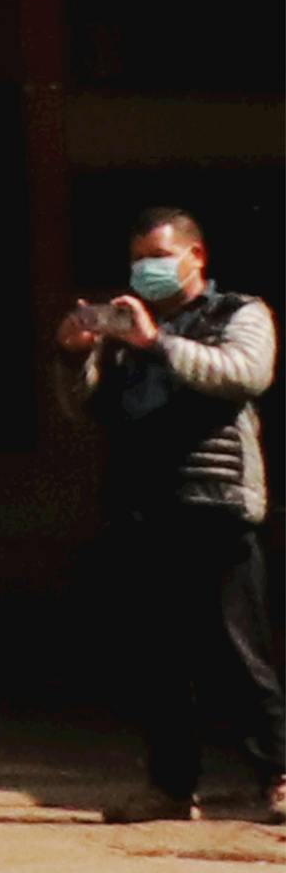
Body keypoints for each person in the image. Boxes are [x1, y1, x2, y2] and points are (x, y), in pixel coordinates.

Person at [63, 199, 281, 824]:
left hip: (215, 504)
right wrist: (76, 352)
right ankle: (169, 786)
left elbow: (246, 374)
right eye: (137, 261)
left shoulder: (240, 313)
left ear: (195, 256)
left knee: (239, 652)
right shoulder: (130, 329)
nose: (147, 270)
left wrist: (159, 342)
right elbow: (84, 409)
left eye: (158, 258)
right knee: (157, 657)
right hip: (142, 508)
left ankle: (277, 775)